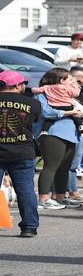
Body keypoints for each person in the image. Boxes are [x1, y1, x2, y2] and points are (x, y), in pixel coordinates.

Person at [34, 70, 83, 212]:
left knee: (64, 167)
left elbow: (78, 108)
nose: (72, 83)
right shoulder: (42, 94)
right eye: (69, 80)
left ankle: (60, 196)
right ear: (60, 80)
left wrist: (81, 112)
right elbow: (45, 112)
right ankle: (43, 198)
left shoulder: (68, 94)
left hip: (71, 134)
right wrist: (67, 112)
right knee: (51, 166)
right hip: (53, 133)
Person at [0, 70, 42, 238]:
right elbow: (36, 122)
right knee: (25, 190)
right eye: (23, 83)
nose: (25, 86)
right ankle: (29, 226)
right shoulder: (32, 103)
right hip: (22, 151)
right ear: (17, 85)